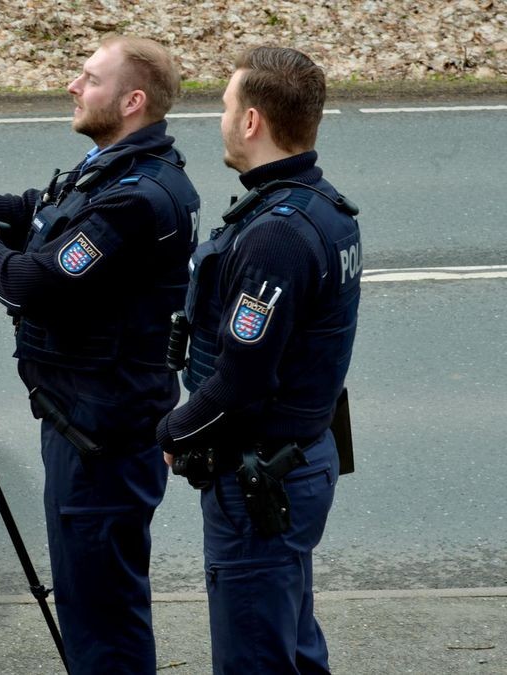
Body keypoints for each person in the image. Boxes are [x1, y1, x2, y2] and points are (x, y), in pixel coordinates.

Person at [0, 36, 200, 674]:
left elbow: (31, 285)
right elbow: (38, 217)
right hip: (83, 423)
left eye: (88, 78)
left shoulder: (136, 199)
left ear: (131, 101)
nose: (72, 85)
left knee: (102, 617)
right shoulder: (112, 170)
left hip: (104, 438)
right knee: (94, 605)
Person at [156, 46, 361, 673]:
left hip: (259, 478)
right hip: (302, 457)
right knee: (293, 645)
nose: (220, 119)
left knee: (255, 656)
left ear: (252, 121)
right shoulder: (324, 206)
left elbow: (243, 380)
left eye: (225, 106)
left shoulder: (274, 232)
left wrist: (171, 431)